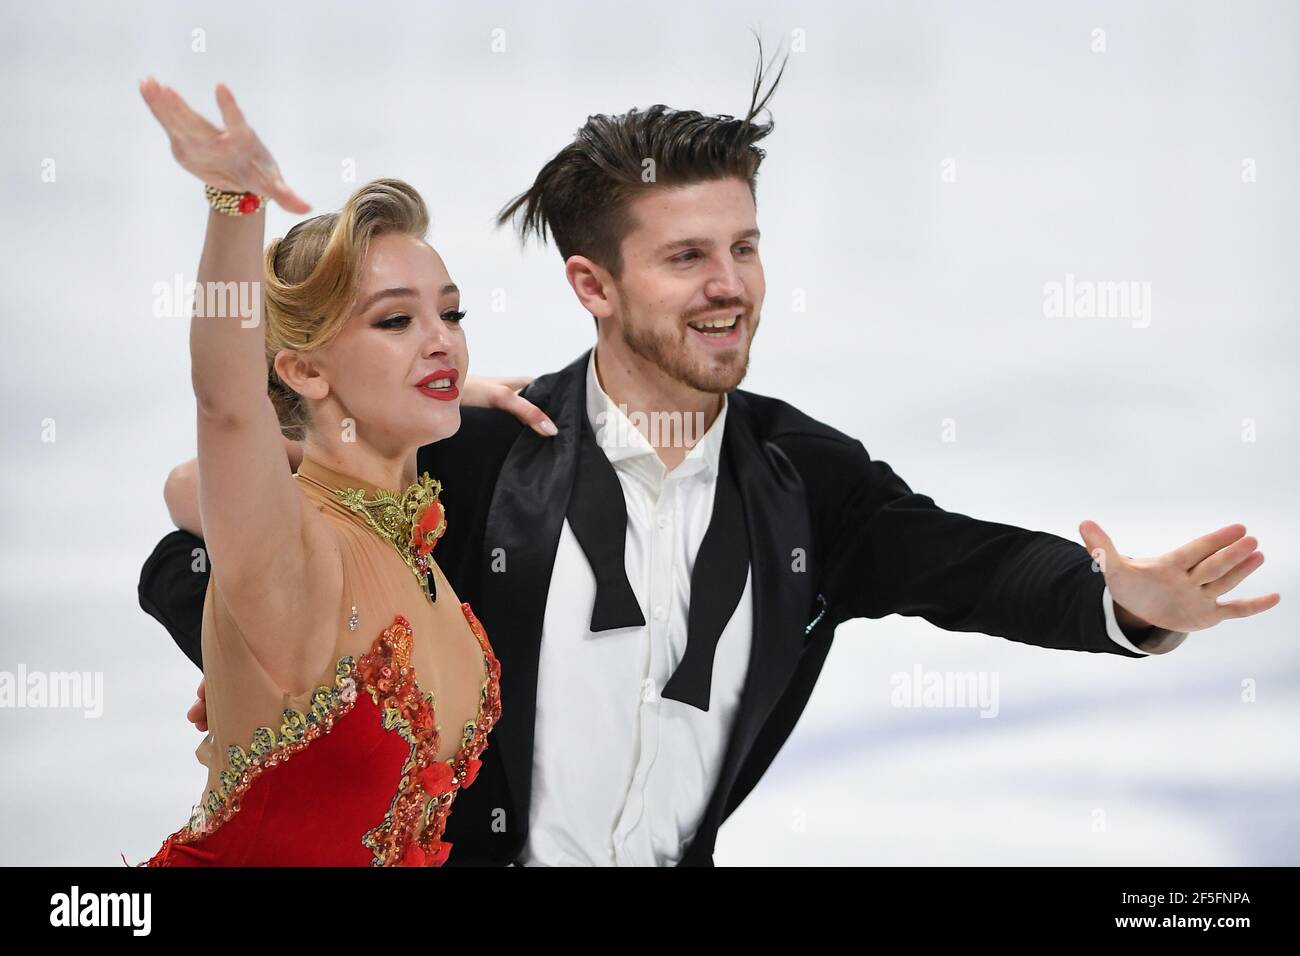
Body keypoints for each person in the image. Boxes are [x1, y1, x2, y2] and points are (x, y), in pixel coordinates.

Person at [139, 53, 1279, 866]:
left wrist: (1119, 603)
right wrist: (298, 668)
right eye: (686, 255)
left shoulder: (804, 476)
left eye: (742, 246)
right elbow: (198, 533)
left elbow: (968, 567)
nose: (727, 282)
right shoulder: (482, 451)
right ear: (594, 285)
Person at [136, 78, 504, 866]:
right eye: (398, 320)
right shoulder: (298, 547)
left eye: (452, 313)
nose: (442, 339)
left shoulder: (418, 555)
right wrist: (235, 204)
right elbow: (229, 404)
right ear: (304, 370)